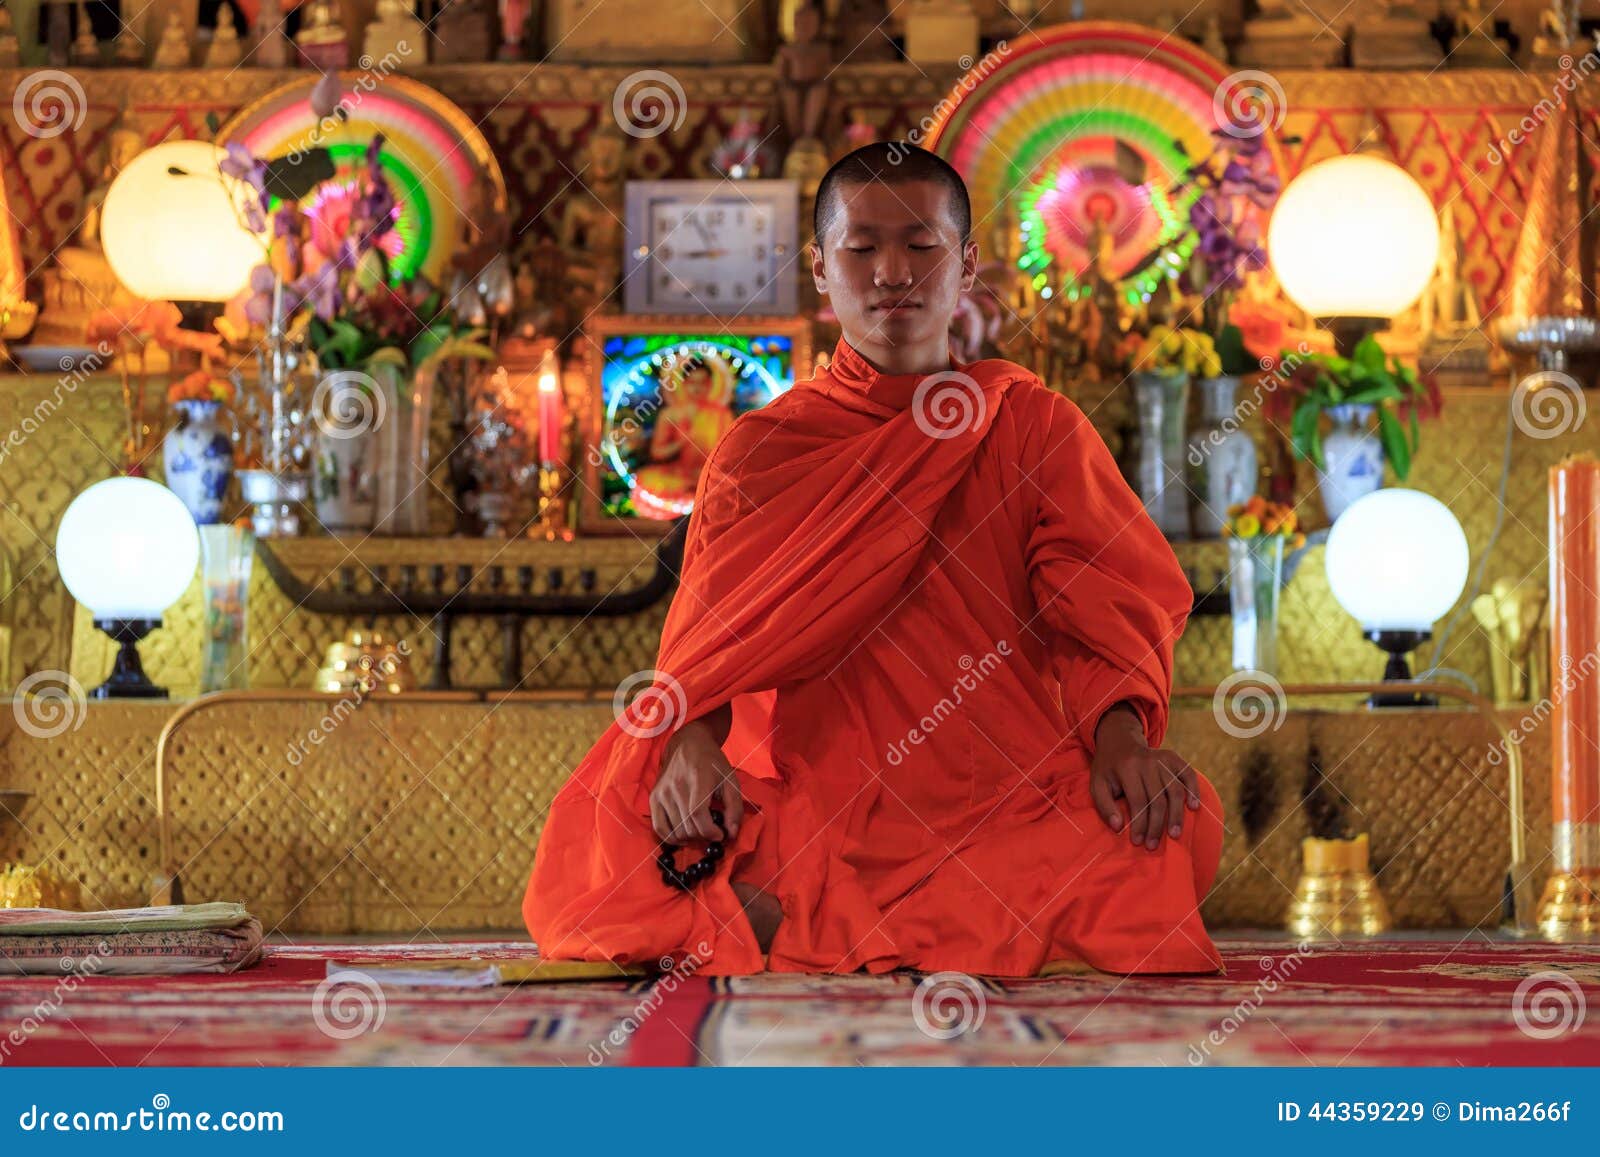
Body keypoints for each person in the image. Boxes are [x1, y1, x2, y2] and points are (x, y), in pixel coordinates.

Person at [523, 143, 1224, 978]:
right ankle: (885, 917)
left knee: (1171, 827)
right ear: (820, 269)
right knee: (607, 827)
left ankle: (795, 922)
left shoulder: (1034, 428)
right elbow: (712, 644)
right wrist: (695, 744)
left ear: (966, 267)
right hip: (833, 805)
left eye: (921, 245)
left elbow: (1105, 611)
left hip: (1010, 801)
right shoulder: (764, 449)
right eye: (862, 249)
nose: (893, 271)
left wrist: (1120, 742)